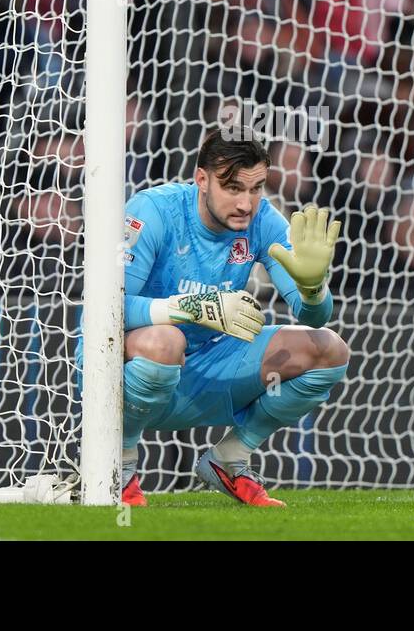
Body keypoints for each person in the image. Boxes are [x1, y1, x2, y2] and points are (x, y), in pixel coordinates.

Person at [78, 127, 349, 507]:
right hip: (123, 371)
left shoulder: (263, 220)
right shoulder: (153, 211)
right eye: (233, 188)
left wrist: (313, 288)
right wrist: (189, 308)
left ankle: (229, 459)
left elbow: (315, 316)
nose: (246, 203)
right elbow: (105, 310)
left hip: (202, 368)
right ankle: (117, 463)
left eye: (255, 189)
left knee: (329, 349)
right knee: (165, 341)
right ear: (201, 180)